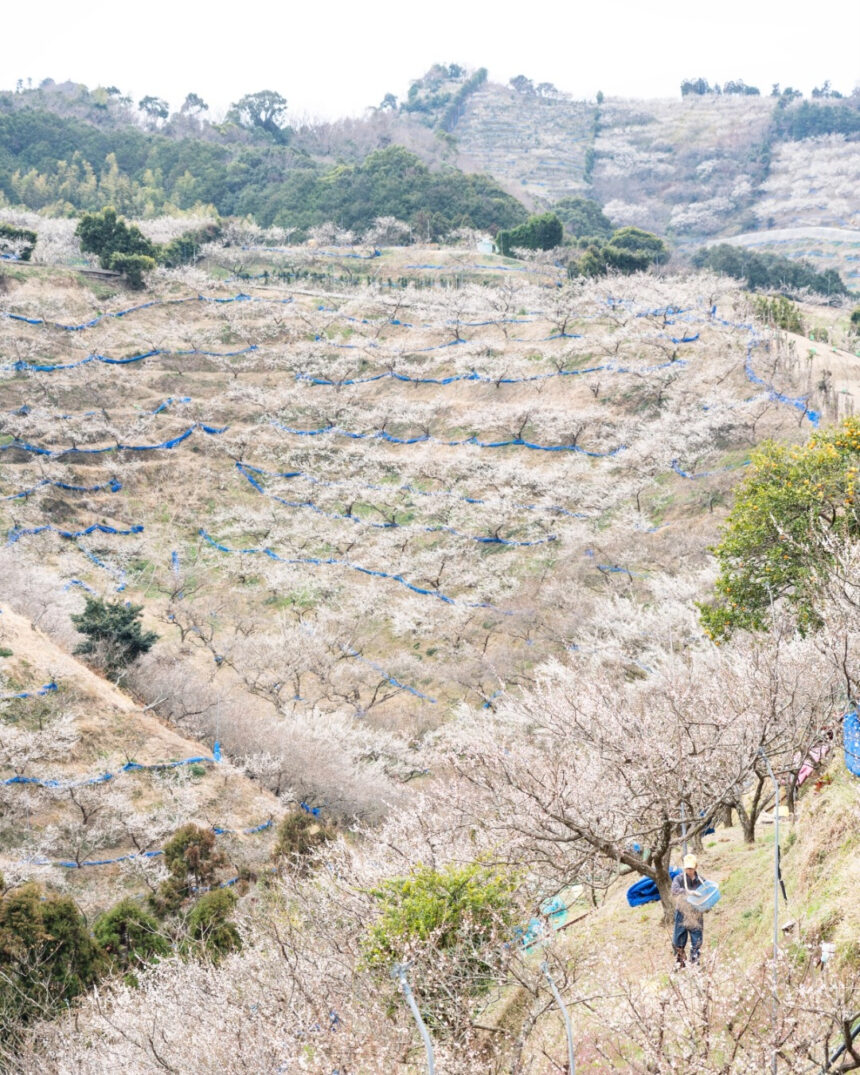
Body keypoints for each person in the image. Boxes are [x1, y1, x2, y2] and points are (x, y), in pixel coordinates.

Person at [671, 853, 704, 967]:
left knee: (697, 939)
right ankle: (681, 963)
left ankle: (695, 964)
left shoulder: (701, 881)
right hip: (682, 912)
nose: (689, 870)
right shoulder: (679, 879)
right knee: (678, 939)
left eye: (691, 868)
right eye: (687, 868)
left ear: (696, 867)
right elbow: (674, 890)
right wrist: (688, 892)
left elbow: (707, 893)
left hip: (696, 913)